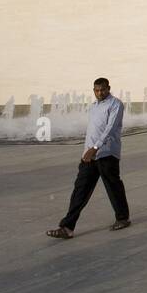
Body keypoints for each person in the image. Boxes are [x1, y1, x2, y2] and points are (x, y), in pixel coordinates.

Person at [47, 78, 130, 238]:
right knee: (80, 190)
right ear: (93, 90)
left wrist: (95, 148)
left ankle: (123, 218)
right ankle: (67, 227)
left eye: (103, 90)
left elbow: (110, 129)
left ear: (109, 88)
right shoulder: (93, 107)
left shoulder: (116, 104)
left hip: (107, 154)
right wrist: (86, 150)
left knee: (113, 187)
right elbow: (92, 131)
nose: (100, 93)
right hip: (89, 156)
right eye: (97, 90)